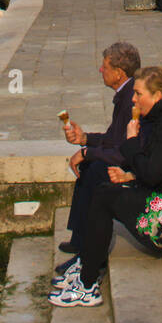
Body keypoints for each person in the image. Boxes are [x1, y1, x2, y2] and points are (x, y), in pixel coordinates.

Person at [50, 66, 162, 309]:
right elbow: (155, 169)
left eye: (138, 94)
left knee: (105, 197)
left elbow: (150, 173)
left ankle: (87, 285)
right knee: (103, 187)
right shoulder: (160, 119)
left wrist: (132, 141)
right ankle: (87, 267)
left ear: (156, 96)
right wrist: (128, 176)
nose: (133, 100)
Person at [56, 42, 141, 267]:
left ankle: (86, 247)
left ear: (119, 74)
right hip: (128, 155)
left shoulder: (129, 99)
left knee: (94, 171)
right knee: (90, 166)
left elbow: (122, 149)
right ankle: (79, 237)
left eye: (105, 67)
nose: (100, 71)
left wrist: (87, 152)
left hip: (134, 165)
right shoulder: (125, 94)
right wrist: (85, 140)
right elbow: (113, 138)